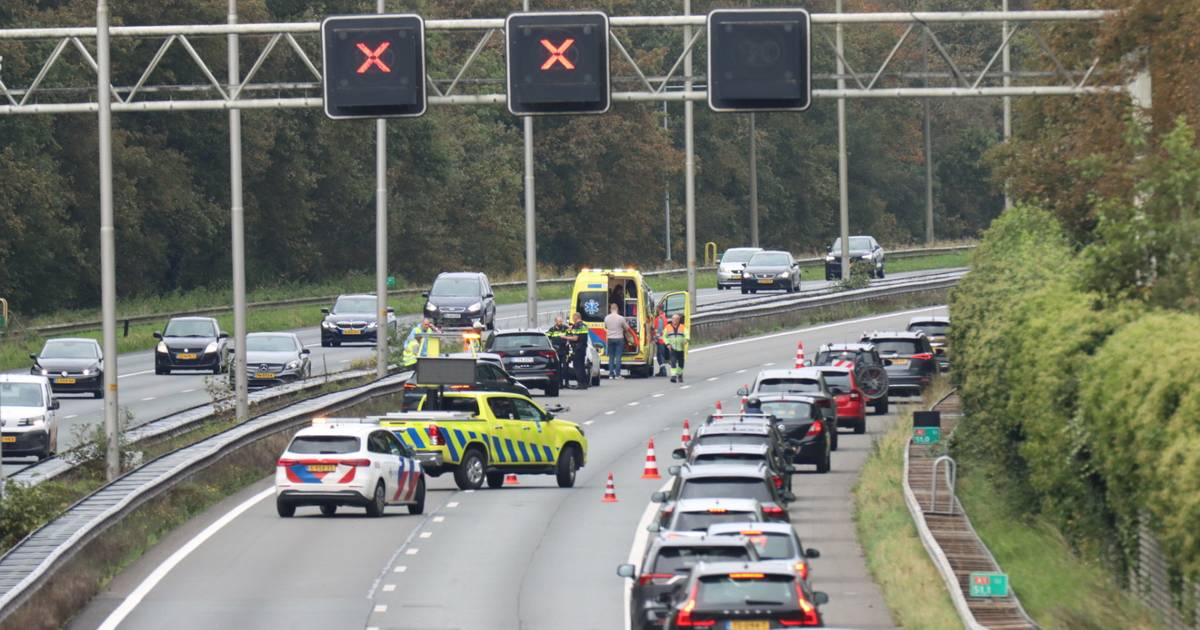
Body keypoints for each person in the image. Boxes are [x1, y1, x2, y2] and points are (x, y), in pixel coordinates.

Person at [604, 303, 634, 379]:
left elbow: (606, 327)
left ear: (610, 309)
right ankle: (617, 375)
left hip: (610, 338)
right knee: (618, 357)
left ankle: (611, 374)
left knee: (611, 357)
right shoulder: (621, 318)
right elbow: (627, 328)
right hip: (619, 338)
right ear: (617, 309)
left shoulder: (606, 318)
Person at [565, 312, 590, 389]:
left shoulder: (577, 326)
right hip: (583, 348)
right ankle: (584, 383)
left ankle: (580, 383)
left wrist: (564, 337)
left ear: (576, 317)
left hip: (577, 348)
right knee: (582, 366)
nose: (573, 319)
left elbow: (575, 338)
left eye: (573, 317)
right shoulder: (584, 325)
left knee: (577, 366)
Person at [547, 315, 570, 388]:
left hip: (564, 350)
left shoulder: (565, 328)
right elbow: (547, 339)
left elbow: (570, 336)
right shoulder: (552, 329)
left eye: (561, 321)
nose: (560, 322)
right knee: (558, 368)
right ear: (555, 321)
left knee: (566, 367)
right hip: (556, 351)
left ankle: (566, 383)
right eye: (559, 321)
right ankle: (560, 384)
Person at [664, 313, 688, 383]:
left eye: (676, 319)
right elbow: (664, 336)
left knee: (681, 364)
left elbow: (687, 335)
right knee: (673, 362)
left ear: (679, 320)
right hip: (672, 348)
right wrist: (667, 344)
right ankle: (673, 376)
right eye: (673, 319)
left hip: (681, 348)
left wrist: (686, 340)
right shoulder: (667, 327)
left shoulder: (683, 327)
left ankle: (679, 374)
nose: (674, 320)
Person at [652, 305, 669, 377]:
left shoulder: (660, 318)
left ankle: (663, 371)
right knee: (660, 355)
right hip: (663, 339)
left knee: (660, 356)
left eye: (657, 309)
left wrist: (656, 339)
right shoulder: (664, 318)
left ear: (659, 309)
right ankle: (661, 371)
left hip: (660, 340)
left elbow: (658, 331)